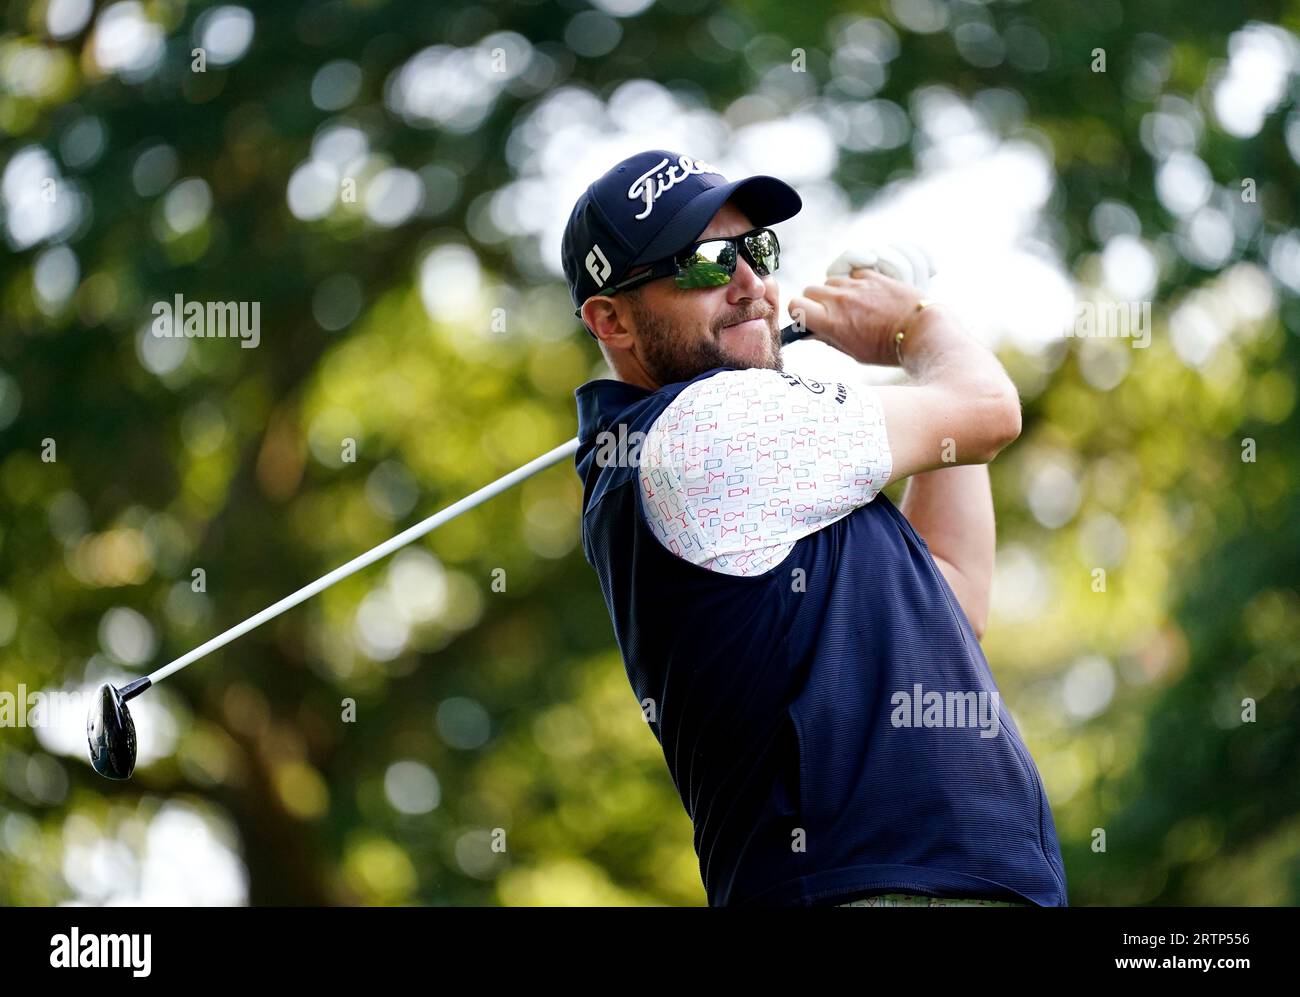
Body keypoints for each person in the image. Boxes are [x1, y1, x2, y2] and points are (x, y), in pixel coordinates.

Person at [560, 149, 1067, 907]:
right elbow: (988, 411)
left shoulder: (755, 459)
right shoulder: (702, 432)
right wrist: (913, 329)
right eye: (702, 263)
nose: (751, 285)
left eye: (755, 250)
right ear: (611, 319)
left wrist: (916, 359)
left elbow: (954, 595)